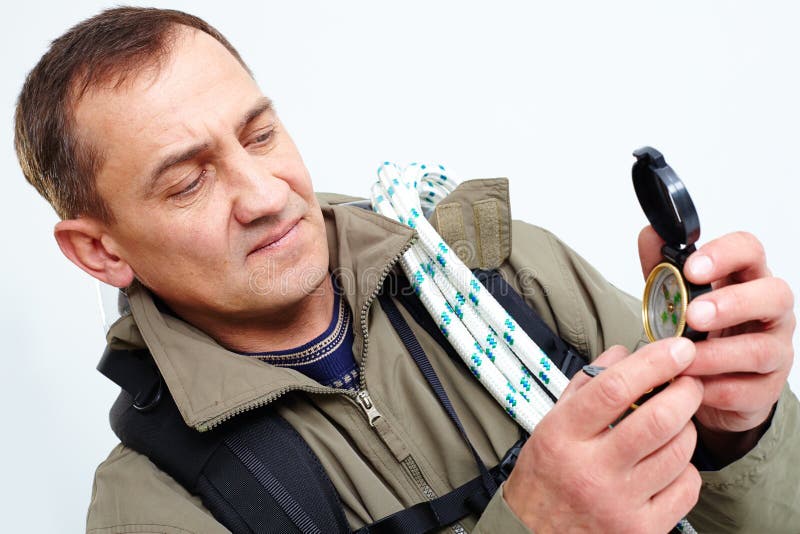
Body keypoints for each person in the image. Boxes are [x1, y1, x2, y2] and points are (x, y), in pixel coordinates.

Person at [14, 6, 797, 533]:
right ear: (100, 251)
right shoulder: (154, 503)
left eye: (258, 136)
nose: (263, 195)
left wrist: (738, 436)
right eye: (187, 181)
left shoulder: (502, 271)